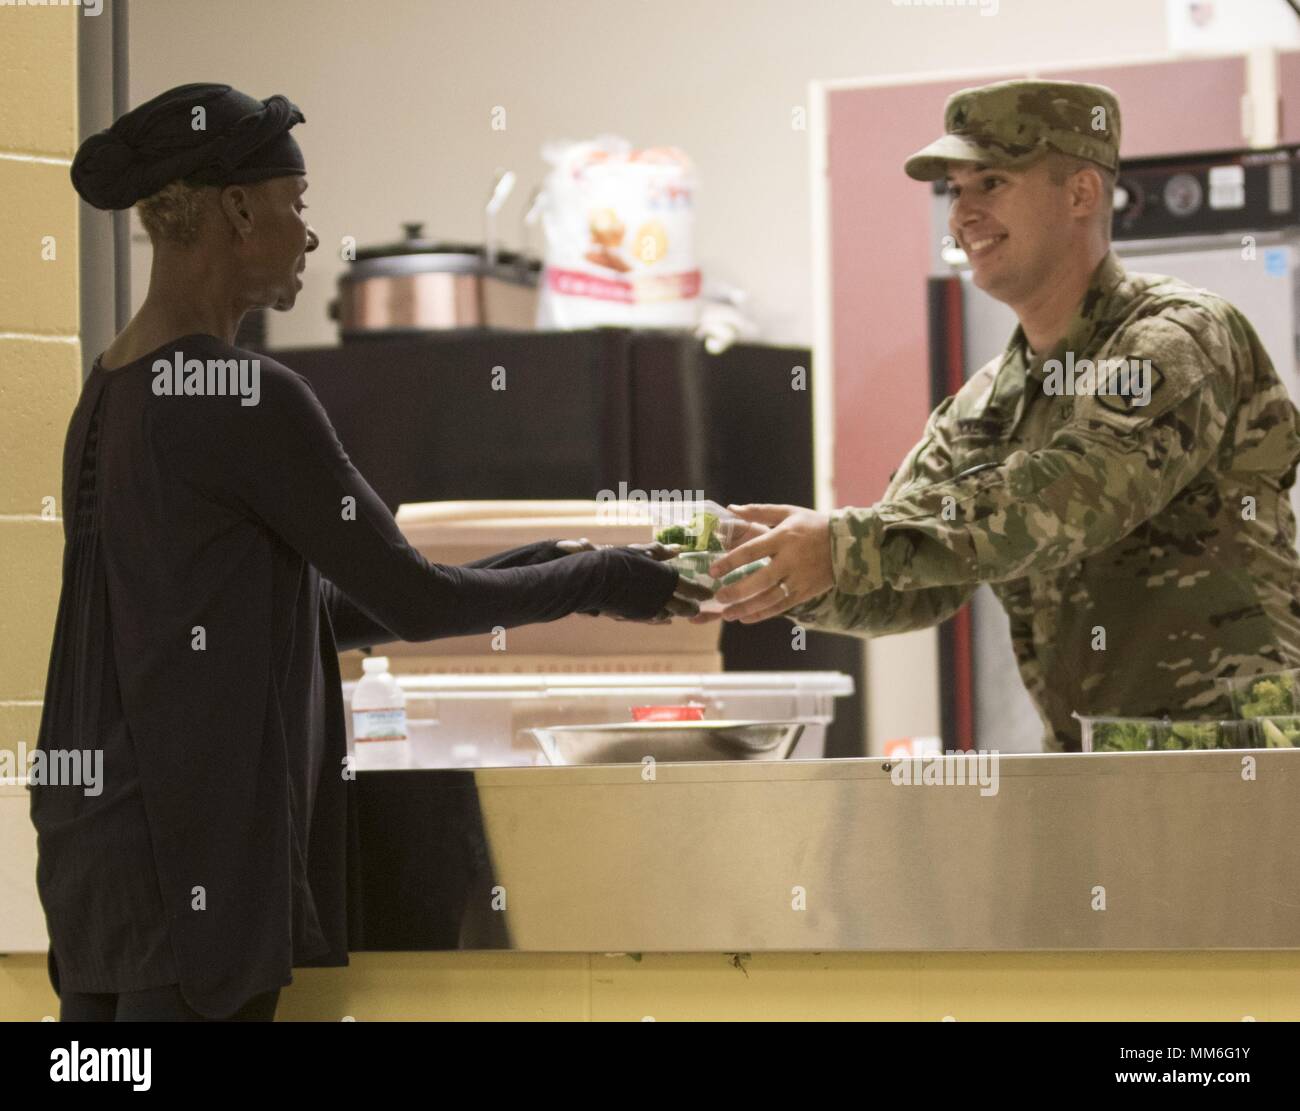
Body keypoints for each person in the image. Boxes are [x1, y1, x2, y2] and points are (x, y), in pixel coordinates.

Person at [35, 82, 707, 1022]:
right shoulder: (243, 394)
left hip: (96, 872)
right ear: (236, 208)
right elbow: (417, 602)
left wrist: (546, 555)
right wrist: (597, 578)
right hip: (195, 872)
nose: (310, 235)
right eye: (296, 205)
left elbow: (322, 608)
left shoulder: (106, 395)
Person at [704, 79, 1300, 752]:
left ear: (1080, 193)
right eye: (955, 190)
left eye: (990, 182)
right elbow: (912, 589)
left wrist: (839, 544)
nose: (963, 215)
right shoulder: (985, 405)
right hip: (1094, 767)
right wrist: (777, 570)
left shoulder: (1177, 335)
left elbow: (1074, 497)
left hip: (1241, 757)